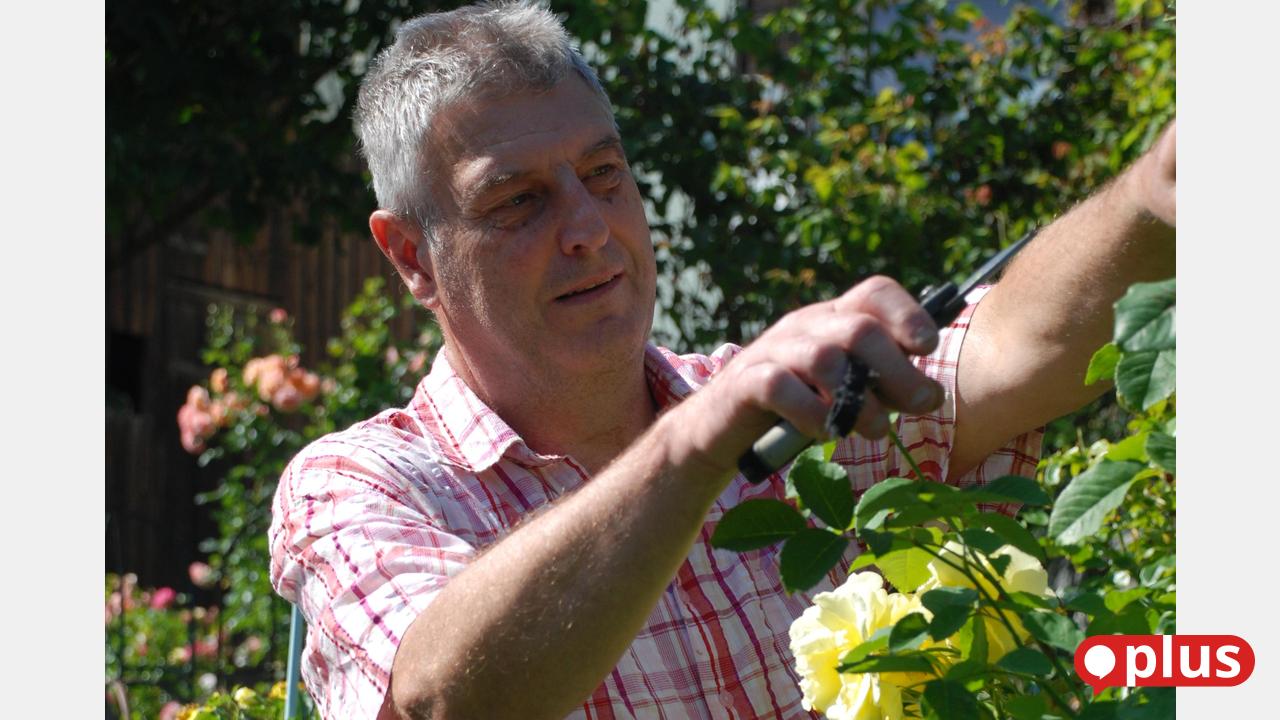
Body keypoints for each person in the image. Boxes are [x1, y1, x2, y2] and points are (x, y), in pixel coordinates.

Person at [268, 2, 1176, 718]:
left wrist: (1154, 196)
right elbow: (452, 699)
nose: (588, 229)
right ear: (412, 257)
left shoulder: (773, 410)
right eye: (517, 201)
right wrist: (698, 440)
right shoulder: (363, 483)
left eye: (605, 173)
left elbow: (1019, 346)